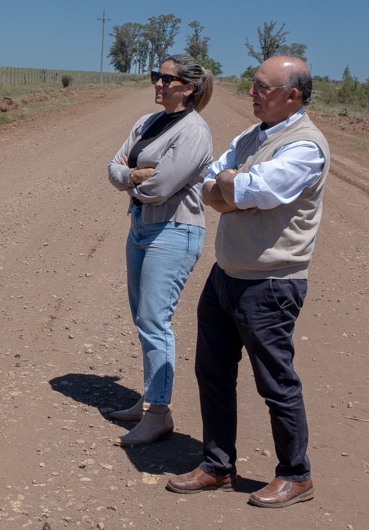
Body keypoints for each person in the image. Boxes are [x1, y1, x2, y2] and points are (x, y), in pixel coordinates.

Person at [167, 55, 330, 509]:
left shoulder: (305, 146)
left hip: (270, 283)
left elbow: (254, 189)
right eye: (253, 85)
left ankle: (296, 475)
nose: (252, 93)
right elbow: (212, 184)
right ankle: (217, 465)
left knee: (275, 382)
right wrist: (232, 188)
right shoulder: (252, 136)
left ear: (293, 96)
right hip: (226, 275)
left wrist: (234, 187)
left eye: (262, 87)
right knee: (212, 372)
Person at [106, 54, 214, 446]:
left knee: (155, 320)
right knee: (143, 318)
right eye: (157, 76)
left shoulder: (194, 131)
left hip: (174, 230)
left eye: (167, 79)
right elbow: (113, 169)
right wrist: (134, 174)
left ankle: (158, 413)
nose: (159, 83)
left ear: (188, 87)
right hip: (141, 226)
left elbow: (161, 188)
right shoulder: (147, 123)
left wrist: (133, 179)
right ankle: (150, 398)